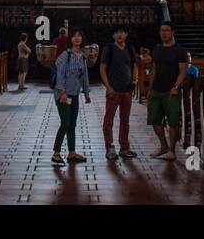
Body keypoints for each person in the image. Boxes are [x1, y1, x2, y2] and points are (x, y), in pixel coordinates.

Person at [140, 22, 188, 161]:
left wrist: (176, 88)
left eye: (167, 30)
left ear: (173, 32)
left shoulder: (179, 51)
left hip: (171, 91)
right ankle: (163, 146)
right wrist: (149, 89)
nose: (163, 33)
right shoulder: (157, 48)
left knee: (172, 121)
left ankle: (172, 151)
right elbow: (154, 69)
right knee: (154, 120)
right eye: (161, 30)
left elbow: (182, 72)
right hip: (156, 90)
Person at [51, 29, 91, 165]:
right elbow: (60, 75)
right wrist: (62, 92)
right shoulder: (65, 56)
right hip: (63, 94)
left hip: (74, 94)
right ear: (71, 39)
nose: (77, 38)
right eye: (74, 36)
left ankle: (72, 152)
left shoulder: (82, 56)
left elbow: (84, 76)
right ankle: (56, 153)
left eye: (80, 36)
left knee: (72, 124)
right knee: (65, 122)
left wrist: (86, 93)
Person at [100, 28, 138, 160]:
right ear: (113, 35)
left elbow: (134, 66)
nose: (120, 35)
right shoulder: (109, 49)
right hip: (113, 90)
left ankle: (124, 148)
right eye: (117, 32)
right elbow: (102, 70)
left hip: (127, 90)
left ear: (126, 34)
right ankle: (109, 147)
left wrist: (134, 80)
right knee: (109, 120)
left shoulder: (129, 48)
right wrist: (108, 87)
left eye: (122, 32)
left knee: (125, 120)